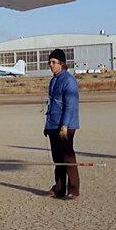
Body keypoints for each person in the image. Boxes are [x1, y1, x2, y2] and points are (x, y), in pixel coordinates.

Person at [44, 48, 80, 199]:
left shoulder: (69, 81)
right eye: (50, 62)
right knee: (57, 159)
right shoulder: (54, 80)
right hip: (53, 125)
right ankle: (59, 188)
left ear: (62, 64)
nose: (50, 65)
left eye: (53, 62)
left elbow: (70, 106)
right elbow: (51, 105)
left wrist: (64, 127)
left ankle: (73, 189)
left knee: (67, 157)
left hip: (66, 126)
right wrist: (47, 126)